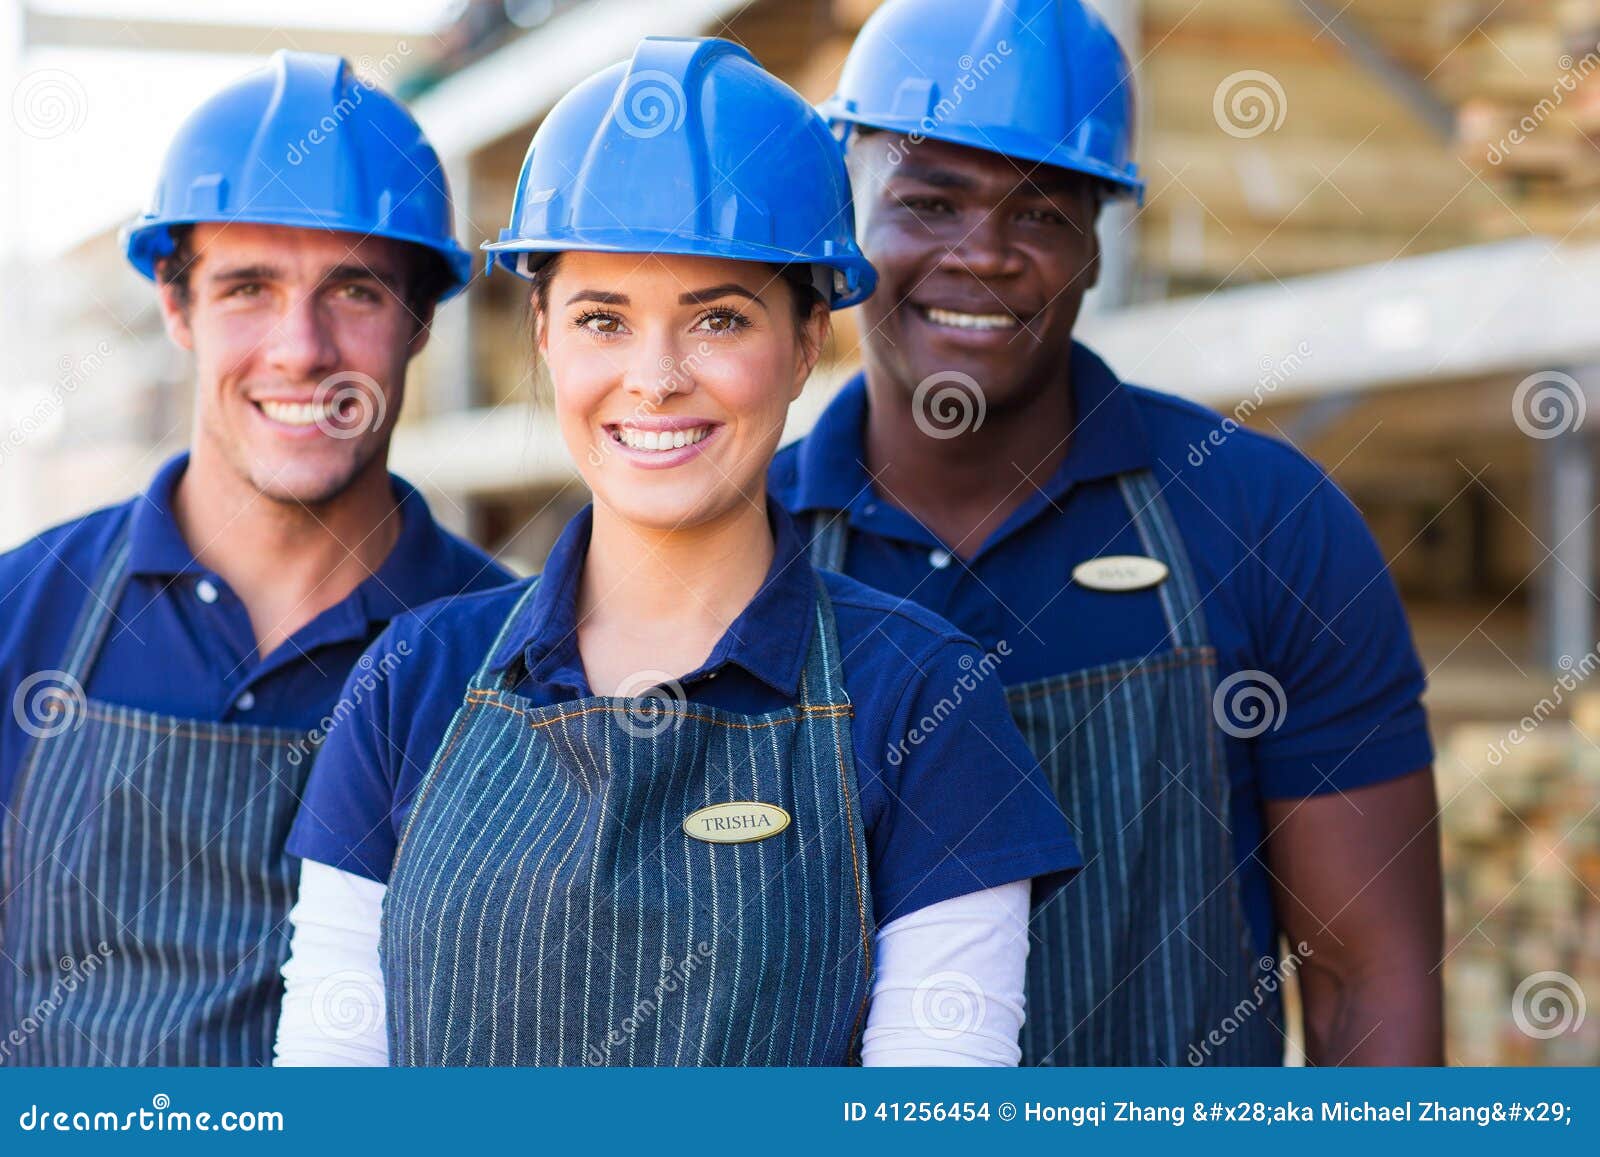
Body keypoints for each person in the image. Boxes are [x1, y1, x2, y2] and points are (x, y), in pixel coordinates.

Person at [272, 36, 1081, 1068]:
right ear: (545, 336)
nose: (654, 378)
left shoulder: (920, 700)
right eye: (603, 318)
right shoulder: (409, 682)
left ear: (802, 345)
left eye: (717, 319)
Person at [772, 0, 1443, 1066]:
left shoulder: (1264, 522)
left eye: (1039, 213)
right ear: (846, 227)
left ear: (1094, 242)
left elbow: (1368, 978)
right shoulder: (741, 550)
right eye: (929, 203)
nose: (982, 254)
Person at [0, 51, 510, 1067]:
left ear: (418, 320)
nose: (299, 347)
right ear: (177, 307)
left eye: (354, 291)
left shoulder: (513, 657)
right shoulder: (23, 614)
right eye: (248, 287)